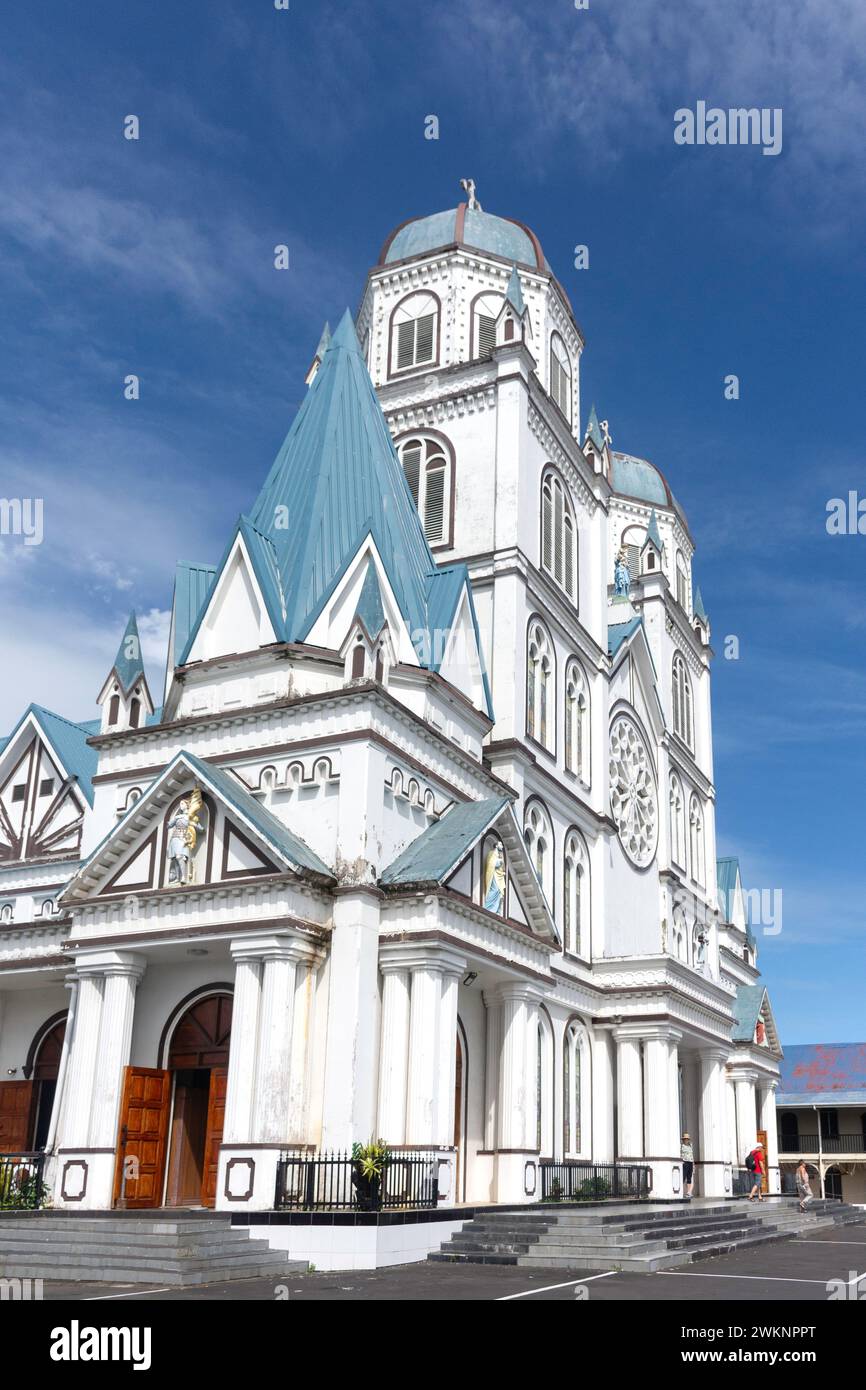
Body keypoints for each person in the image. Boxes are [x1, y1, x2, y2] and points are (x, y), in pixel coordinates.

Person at [681, 1132, 694, 1200]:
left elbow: (692, 1155)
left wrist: (693, 1164)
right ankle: (681, 1192)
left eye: (687, 1139)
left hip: (690, 1162)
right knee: (683, 1177)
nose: (686, 1140)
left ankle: (688, 1192)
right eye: (685, 1139)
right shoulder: (681, 1146)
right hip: (685, 1162)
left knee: (689, 1177)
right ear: (683, 1139)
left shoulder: (690, 1145)